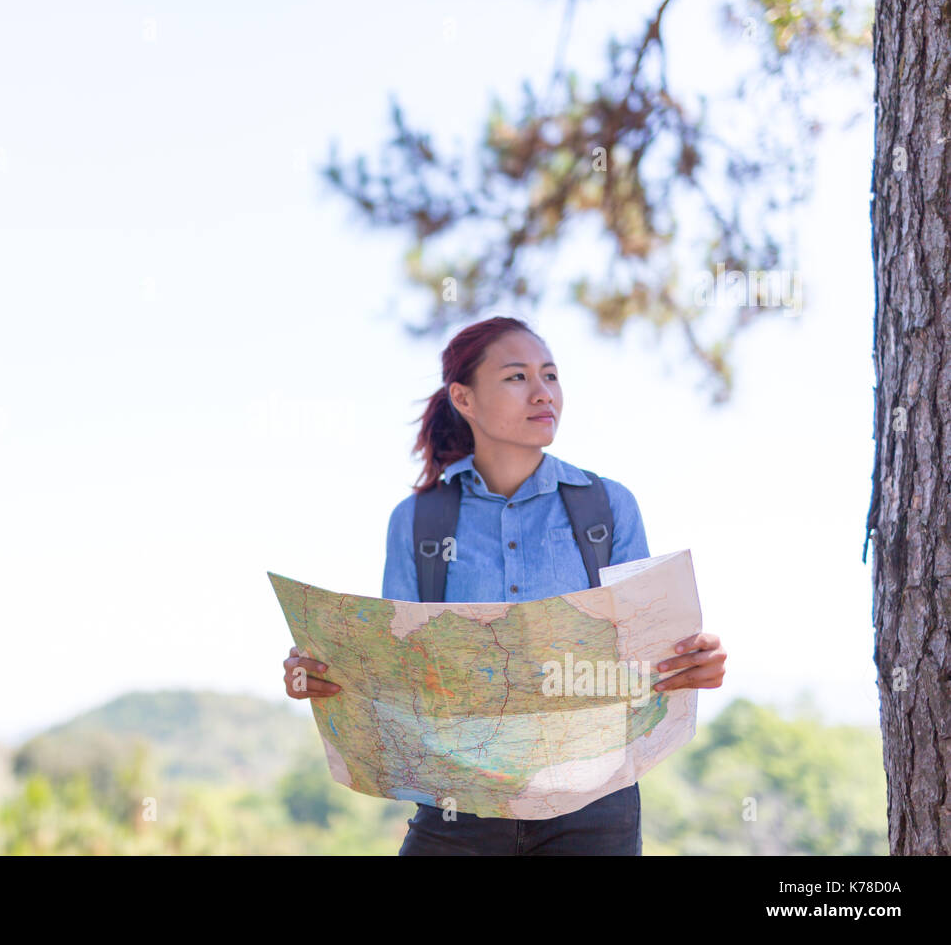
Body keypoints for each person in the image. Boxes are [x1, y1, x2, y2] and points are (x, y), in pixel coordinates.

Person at [282, 315, 726, 855]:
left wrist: (692, 663)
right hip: (455, 806)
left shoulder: (606, 509)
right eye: (517, 378)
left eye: (551, 376)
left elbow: (643, 658)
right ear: (463, 399)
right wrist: (324, 673)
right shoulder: (420, 522)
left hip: (593, 808)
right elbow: (397, 671)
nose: (543, 394)